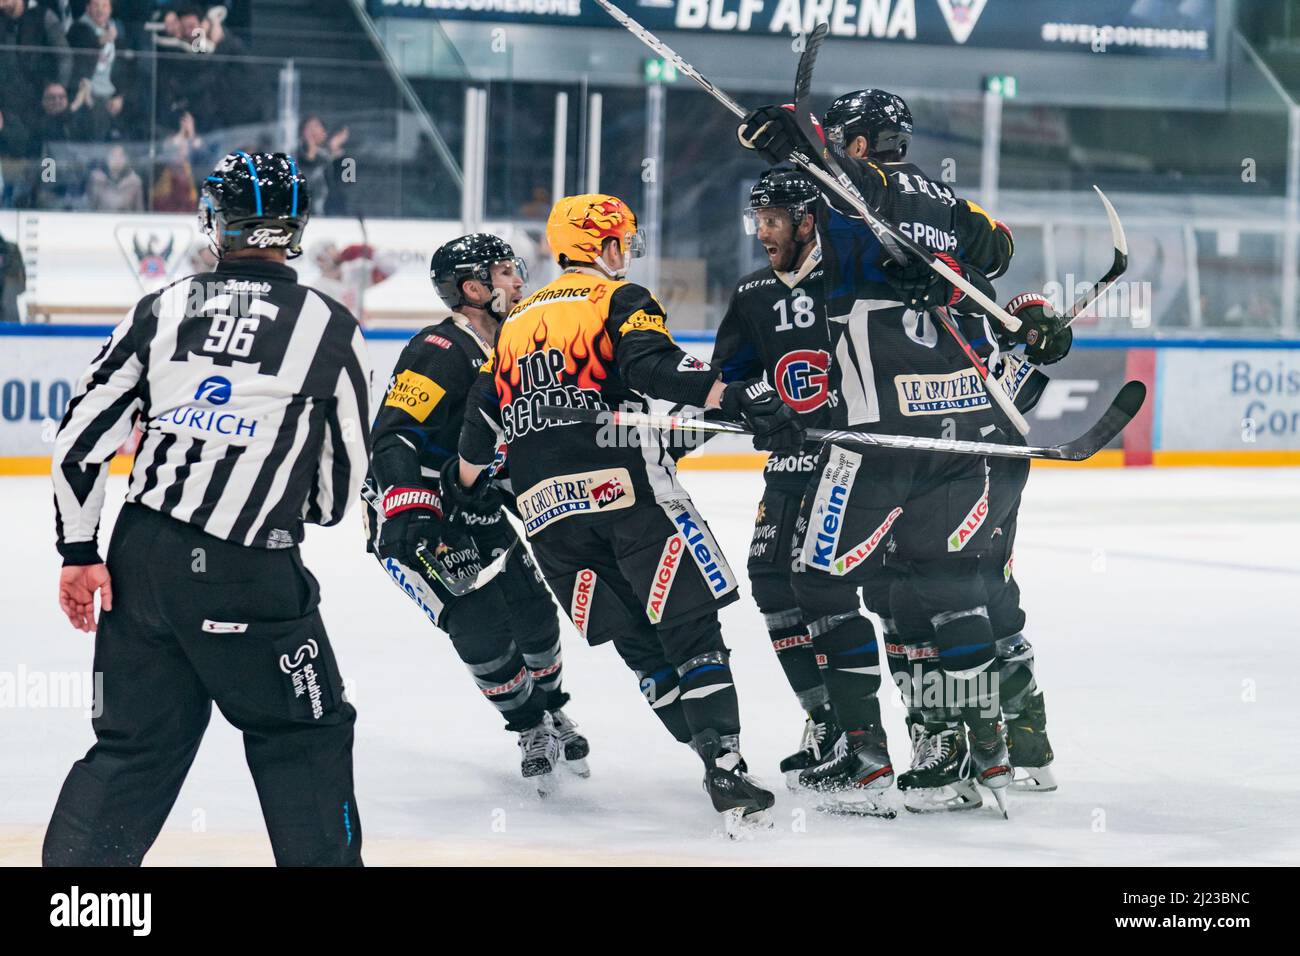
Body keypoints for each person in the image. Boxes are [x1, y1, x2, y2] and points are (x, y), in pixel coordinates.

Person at [737, 89, 1067, 815]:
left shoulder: (862, 189)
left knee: (819, 582)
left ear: (853, 143)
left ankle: (864, 758)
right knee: (947, 589)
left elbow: (826, 186)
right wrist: (939, 265)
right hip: (957, 440)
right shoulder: (945, 200)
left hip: (878, 439)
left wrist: (784, 143)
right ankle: (974, 755)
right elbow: (998, 251)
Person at [45, 150, 371, 866]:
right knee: (303, 739)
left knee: (133, 750)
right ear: (298, 225)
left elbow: (77, 443)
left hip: (143, 563)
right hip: (249, 570)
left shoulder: (161, 308)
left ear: (214, 224)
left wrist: (78, 553)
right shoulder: (330, 327)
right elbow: (337, 491)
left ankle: (74, 912)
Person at [454, 194, 798, 833]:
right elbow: (653, 367)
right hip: (627, 494)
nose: (628, 253)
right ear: (607, 246)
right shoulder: (616, 298)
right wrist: (737, 393)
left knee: (640, 643)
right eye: (624, 241)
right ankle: (724, 762)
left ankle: (707, 756)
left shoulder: (515, 325)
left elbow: (479, 432)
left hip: (547, 516)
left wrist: (470, 480)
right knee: (689, 627)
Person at [362, 233, 590, 794]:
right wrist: (408, 514)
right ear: (473, 288)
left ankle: (552, 707)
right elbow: (394, 437)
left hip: (477, 506)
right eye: (508, 272)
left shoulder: (512, 349)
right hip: (421, 517)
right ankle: (529, 724)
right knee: (480, 624)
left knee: (534, 611)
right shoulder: (439, 350)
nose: (519, 280)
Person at [711, 167, 843, 786]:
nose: (762, 232)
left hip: (852, 462)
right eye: (756, 220)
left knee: (833, 588)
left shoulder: (849, 279)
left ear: (807, 220)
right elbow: (726, 382)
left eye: (773, 220)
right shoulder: (753, 293)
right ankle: (825, 721)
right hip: (789, 463)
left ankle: (877, 729)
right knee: (771, 580)